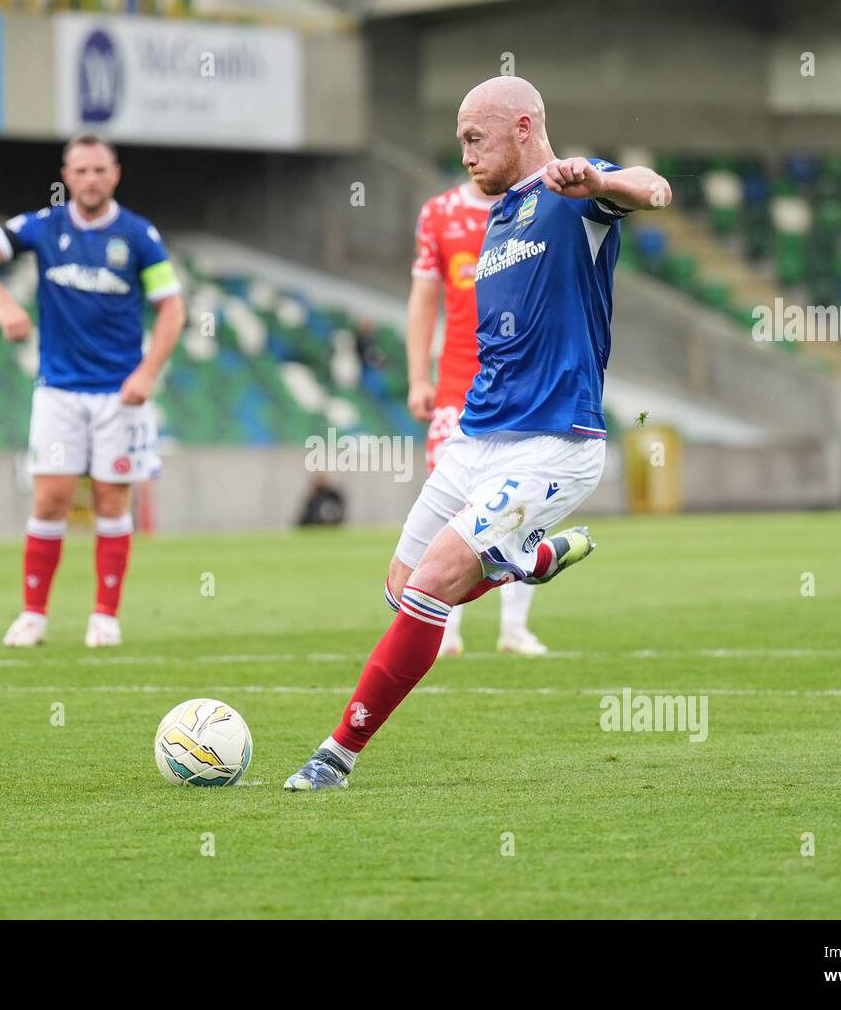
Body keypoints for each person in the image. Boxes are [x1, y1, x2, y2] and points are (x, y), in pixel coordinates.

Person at [284, 76, 671, 790]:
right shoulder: (495, 220)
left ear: (524, 127)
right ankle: (529, 559)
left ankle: (335, 756)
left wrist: (596, 182)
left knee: (435, 580)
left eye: (474, 137)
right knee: (403, 590)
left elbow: (653, 189)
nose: (464, 153)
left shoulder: (575, 196)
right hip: (474, 438)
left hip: (553, 443)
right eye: (460, 139)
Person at [0, 133, 186, 648]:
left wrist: (147, 372)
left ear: (115, 174)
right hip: (58, 390)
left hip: (118, 394)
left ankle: (105, 616)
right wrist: (4, 304)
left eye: (99, 170)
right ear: (66, 177)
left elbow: (172, 307)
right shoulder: (42, 226)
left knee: (110, 500)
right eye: (80, 171)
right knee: (51, 498)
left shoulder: (140, 235)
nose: (91, 179)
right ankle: (34, 614)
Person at [408, 170, 548, 656]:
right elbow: (424, 298)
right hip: (457, 384)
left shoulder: (540, 207)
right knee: (451, 502)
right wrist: (418, 377)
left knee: (525, 502)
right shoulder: (439, 214)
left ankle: (514, 628)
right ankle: (444, 625)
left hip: (525, 383)